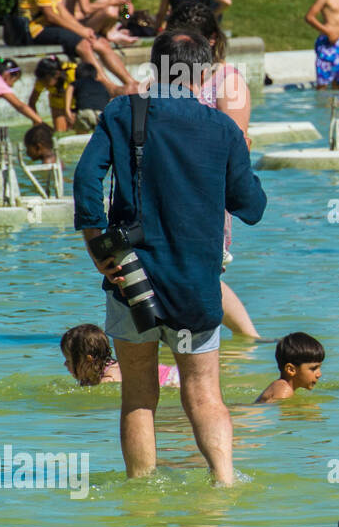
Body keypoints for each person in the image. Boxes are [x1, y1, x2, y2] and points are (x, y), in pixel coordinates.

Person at [73, 30, 267, 484]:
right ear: (204, 74)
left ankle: (143, 498)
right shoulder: (223, 128)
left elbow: (86, 179)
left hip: (131, 277)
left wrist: (95, 245)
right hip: (195, 284)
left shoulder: (123, 112)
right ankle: (224, 483)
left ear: (155, 68)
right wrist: (241, 155)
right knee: (204, 395)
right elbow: (252, 209)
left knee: (138, 395)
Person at [166, 0, 260, 340]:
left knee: (200, 272)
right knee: (186, 272)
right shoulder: (168, 74)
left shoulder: (227, 81)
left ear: (211, 40)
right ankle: (247, 338)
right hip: (169, 187)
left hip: (204, 191)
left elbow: (237, 146)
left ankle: (231, 340)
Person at [19, 0, 134, 92]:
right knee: (103, 20)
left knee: (102, 40)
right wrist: (82, 30)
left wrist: (126, 12)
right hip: (40, 28)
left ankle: (131, 82)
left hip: (66, 22)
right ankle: (110, 89)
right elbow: (67, 12)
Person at [62, 324, 180, 387]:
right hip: (168, 373)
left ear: (88, 359)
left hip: (170, 380)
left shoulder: (109, 378)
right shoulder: (97, 372)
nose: (65, 364)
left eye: (68, 360)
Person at [255, 332, 325, 403]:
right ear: (291, 370)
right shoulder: (284, 390)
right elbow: (272, 411)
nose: (319, 374)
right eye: (313, 368)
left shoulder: (280, 386)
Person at [0, 58, 44, 126]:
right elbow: (20, 106)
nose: (12, 86)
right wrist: (40, 122)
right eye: (14, 80)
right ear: (7, 74)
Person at [28, 55, 76, 132]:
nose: (43, 83)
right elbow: (32, 102)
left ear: (57, 74)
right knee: (60, 132)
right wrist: (37, 122)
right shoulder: (42, 80)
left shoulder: (73, 73)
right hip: (58, 106)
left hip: (76, 105)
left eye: (45, 80)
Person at [71, 62, 111, 134]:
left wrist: (68, 111)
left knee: (81, 134)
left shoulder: (76, 83)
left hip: (85, 111)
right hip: (101, 112)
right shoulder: (102, 84)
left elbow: (69, 91)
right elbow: (109, 99)